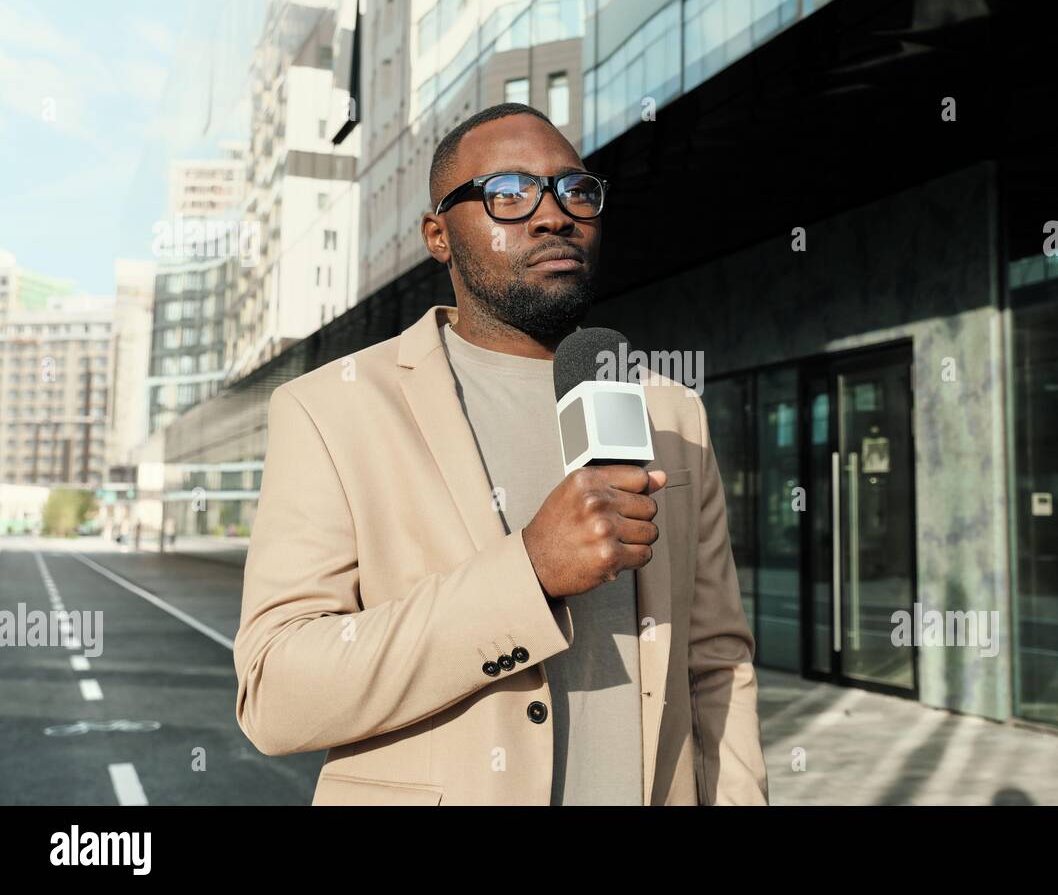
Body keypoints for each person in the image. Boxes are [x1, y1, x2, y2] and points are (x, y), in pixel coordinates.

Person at [233, 103, 768, 806]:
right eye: (508, 193)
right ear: (438, 236)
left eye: (576, 190)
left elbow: (716, 664)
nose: (554, 215)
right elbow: (277, 691)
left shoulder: (671, 411)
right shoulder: (333, 409)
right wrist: (529, 572)